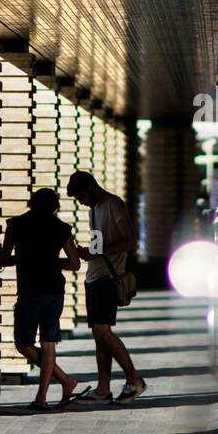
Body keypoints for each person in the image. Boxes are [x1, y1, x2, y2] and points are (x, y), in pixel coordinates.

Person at [0, 187, 85, 410]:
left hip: (29, 291)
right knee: (48, 342)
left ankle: (56, 387)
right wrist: (52, 262)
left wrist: (25, 259)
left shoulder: (15, 225)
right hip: (54, 290)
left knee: (23, 343)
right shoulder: (61, 228)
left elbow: (5, 259)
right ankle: (52, 390)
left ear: (32, 203)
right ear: (55, 206)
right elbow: (75, 264)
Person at [66, 171, 146, 403]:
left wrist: (98, 252)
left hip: (108, 279)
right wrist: (88, 253)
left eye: (81, 196)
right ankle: (103, 389)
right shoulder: (94, 210)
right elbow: (100, 245)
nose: (80, 202)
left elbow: (130, 241)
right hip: (94, 277)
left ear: (91, 188)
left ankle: (135, 380)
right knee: (99, 337)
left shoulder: (114, 204)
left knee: (104, 333)